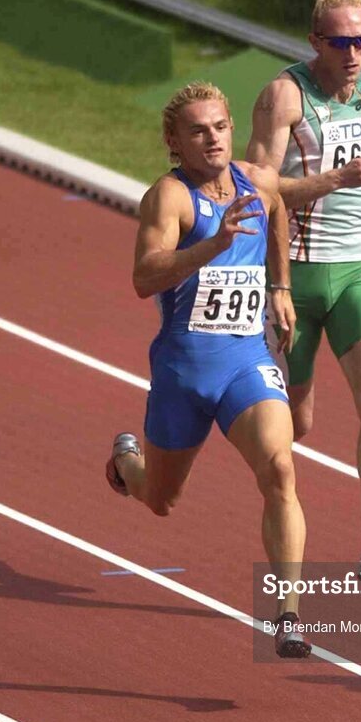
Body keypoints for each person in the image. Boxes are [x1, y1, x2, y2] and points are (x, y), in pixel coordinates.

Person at [105, 81, 310, 658]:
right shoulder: (168, 199)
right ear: (176, 140)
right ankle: (127, 463)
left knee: (280, 469)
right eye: (198, 130)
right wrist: (212, 246)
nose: (213, 138)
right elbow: (145, 278)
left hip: (245, 360)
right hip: (183, 371)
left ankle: (288, 615)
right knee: (161, 499)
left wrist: (280, 286)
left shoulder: (257, 180)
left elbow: (277, 210)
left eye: (219, 126)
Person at [246, 0, 361, 581]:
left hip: (357, 270)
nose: (353, 52)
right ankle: (171, 443)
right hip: (294, 277)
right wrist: (334, 180)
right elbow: (258, 190)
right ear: (314, 42)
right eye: (340, 41)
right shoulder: (285, 96)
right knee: (294, 424)